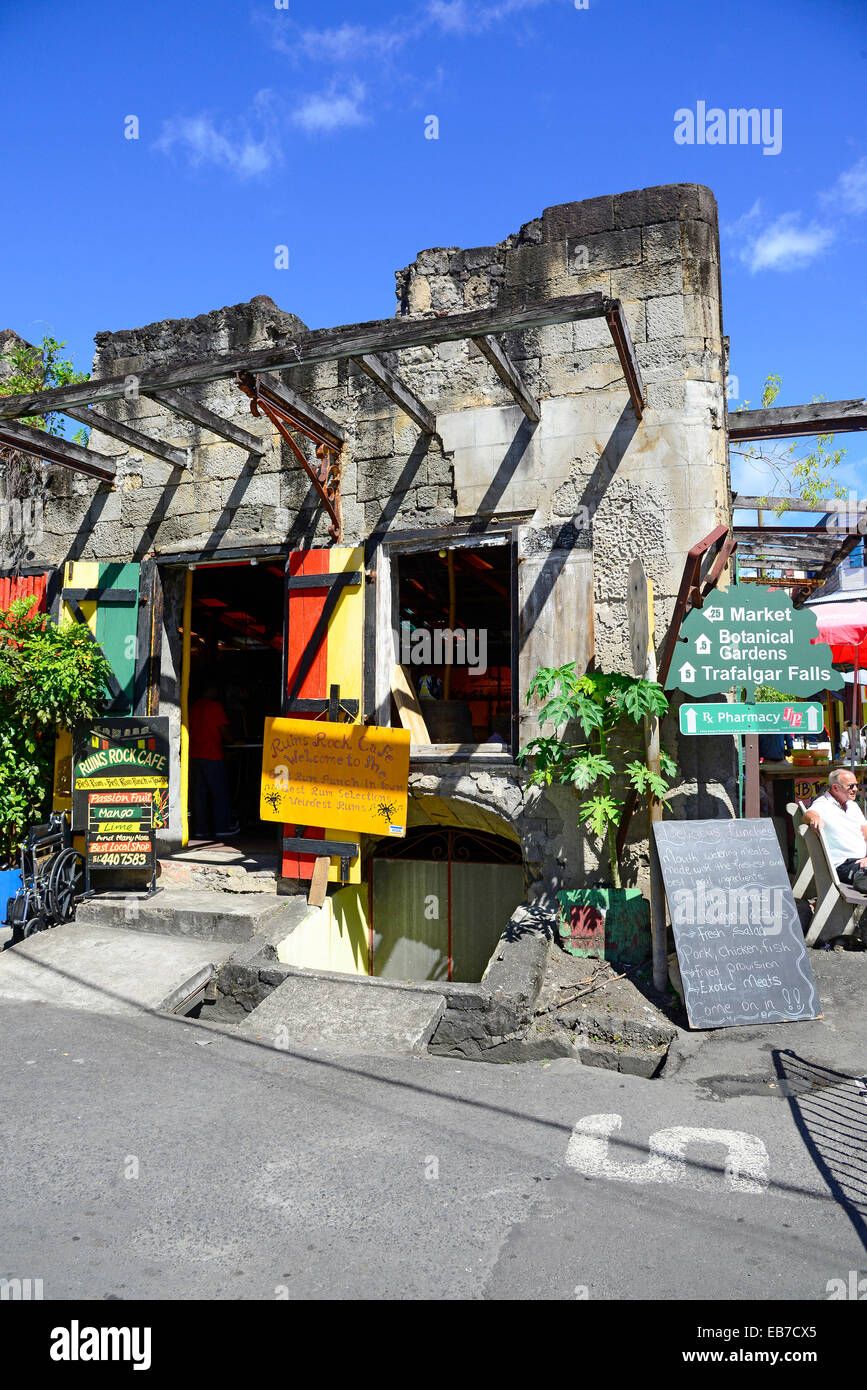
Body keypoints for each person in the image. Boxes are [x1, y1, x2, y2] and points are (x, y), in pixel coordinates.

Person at [803, 768, 867, 890]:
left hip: (861, 862)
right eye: (851, 786)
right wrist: (814, 818)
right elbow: (808, 814)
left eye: (856, 785)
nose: (855, 789)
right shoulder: (824, 804)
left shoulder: (852, 806)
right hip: (843, 865)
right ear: (836, 788)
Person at [189, 683, 239, 840]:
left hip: (194, 755)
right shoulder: (214, 706)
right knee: (219, 793)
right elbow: (222, 729)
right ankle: (221, 827)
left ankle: (200, 829)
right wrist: (234, 742)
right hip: (212, 754)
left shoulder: (193, 707)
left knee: (199, 795)